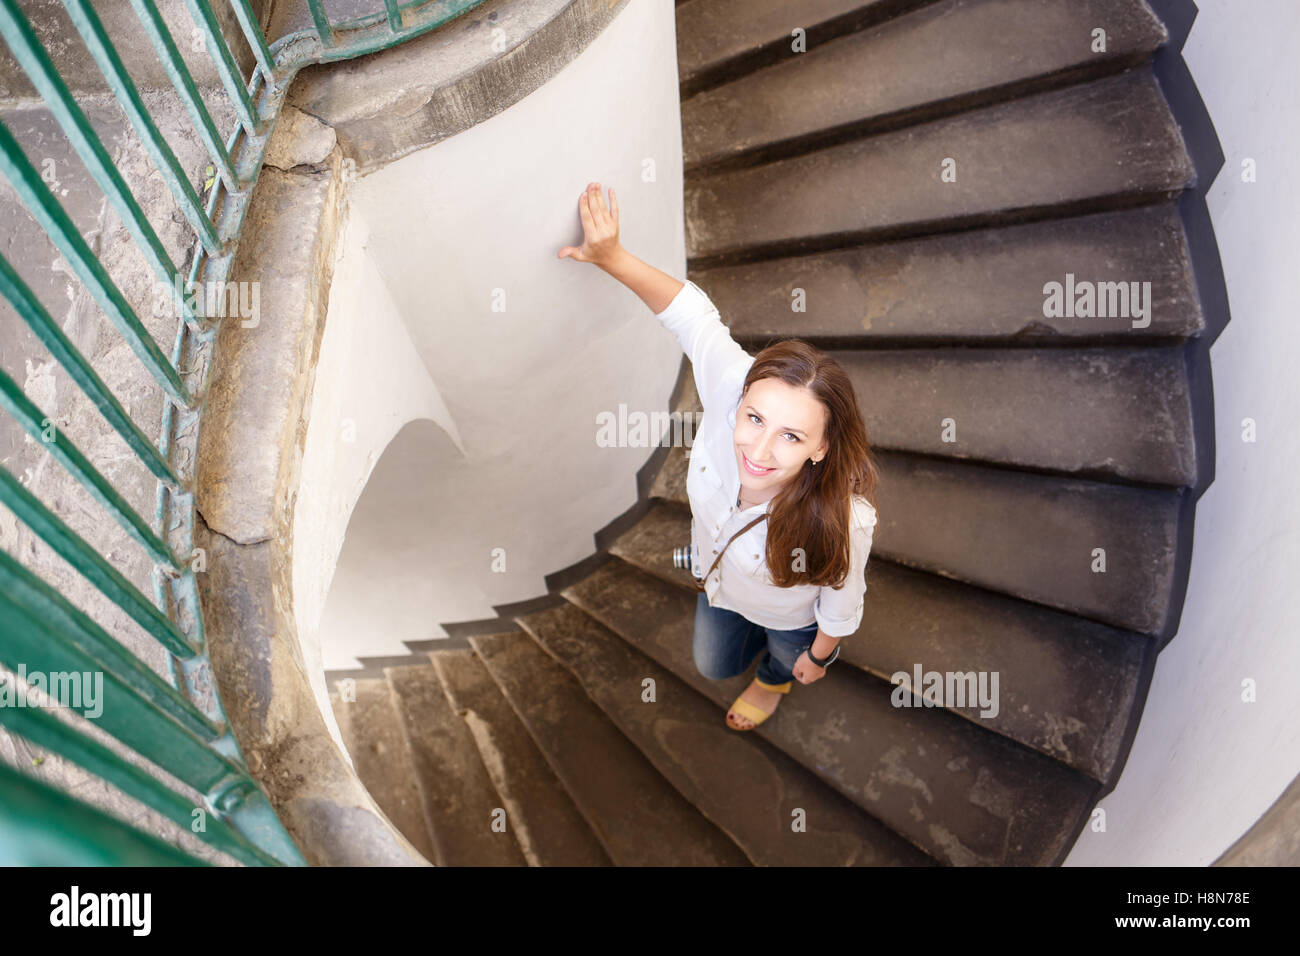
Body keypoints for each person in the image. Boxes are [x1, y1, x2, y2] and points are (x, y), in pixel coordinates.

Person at [559, 182, 879, 731]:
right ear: (741, 400)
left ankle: (773, 679)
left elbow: (841, 600)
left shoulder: (846, 520)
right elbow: (691, 316)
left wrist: (817, 655)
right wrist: (611, 257)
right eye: (754, 418)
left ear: (822, 447)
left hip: (790, 619)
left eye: (791, 437)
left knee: (780, 659)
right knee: (713, 665)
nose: (757, 450)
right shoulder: (732, 385)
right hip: (717, 582)